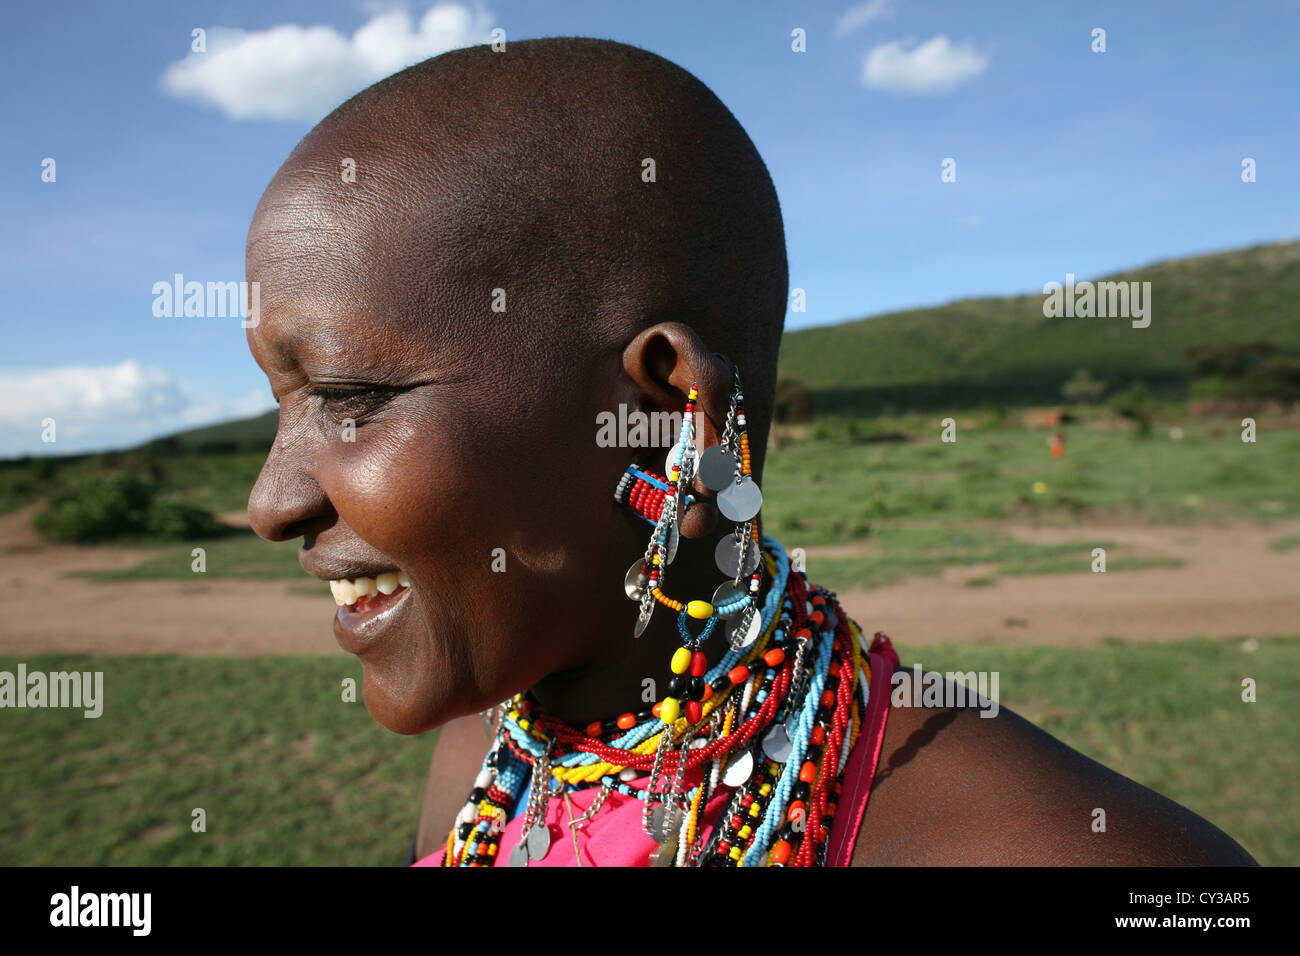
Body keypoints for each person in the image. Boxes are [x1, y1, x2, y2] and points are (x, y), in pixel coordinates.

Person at [244, 37, 1255, 866]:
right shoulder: (494, 747)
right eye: (279, 403)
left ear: (670, 412)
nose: (270, 501)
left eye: (347, 396)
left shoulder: (1080, 858)